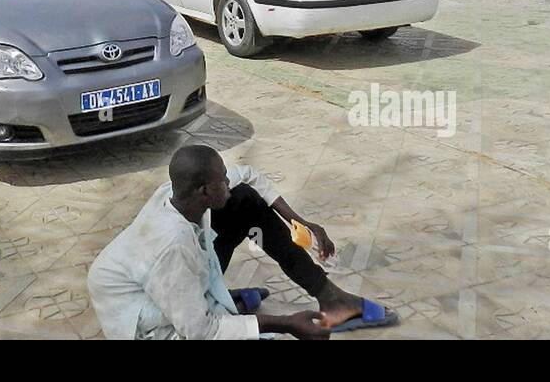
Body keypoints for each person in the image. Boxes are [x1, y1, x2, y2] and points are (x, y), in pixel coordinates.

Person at [88, 145, 398, 340]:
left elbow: (248, 176)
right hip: (141, 318)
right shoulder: (171, 247)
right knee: (214, 328)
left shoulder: (179, 192)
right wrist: (285, 324)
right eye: (222, 179)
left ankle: (331, 298)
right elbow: (199, 332)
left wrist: (298, 221)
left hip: (164, 279)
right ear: (204, 191)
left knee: (244, 200)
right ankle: (216, 306)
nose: (227, 181)